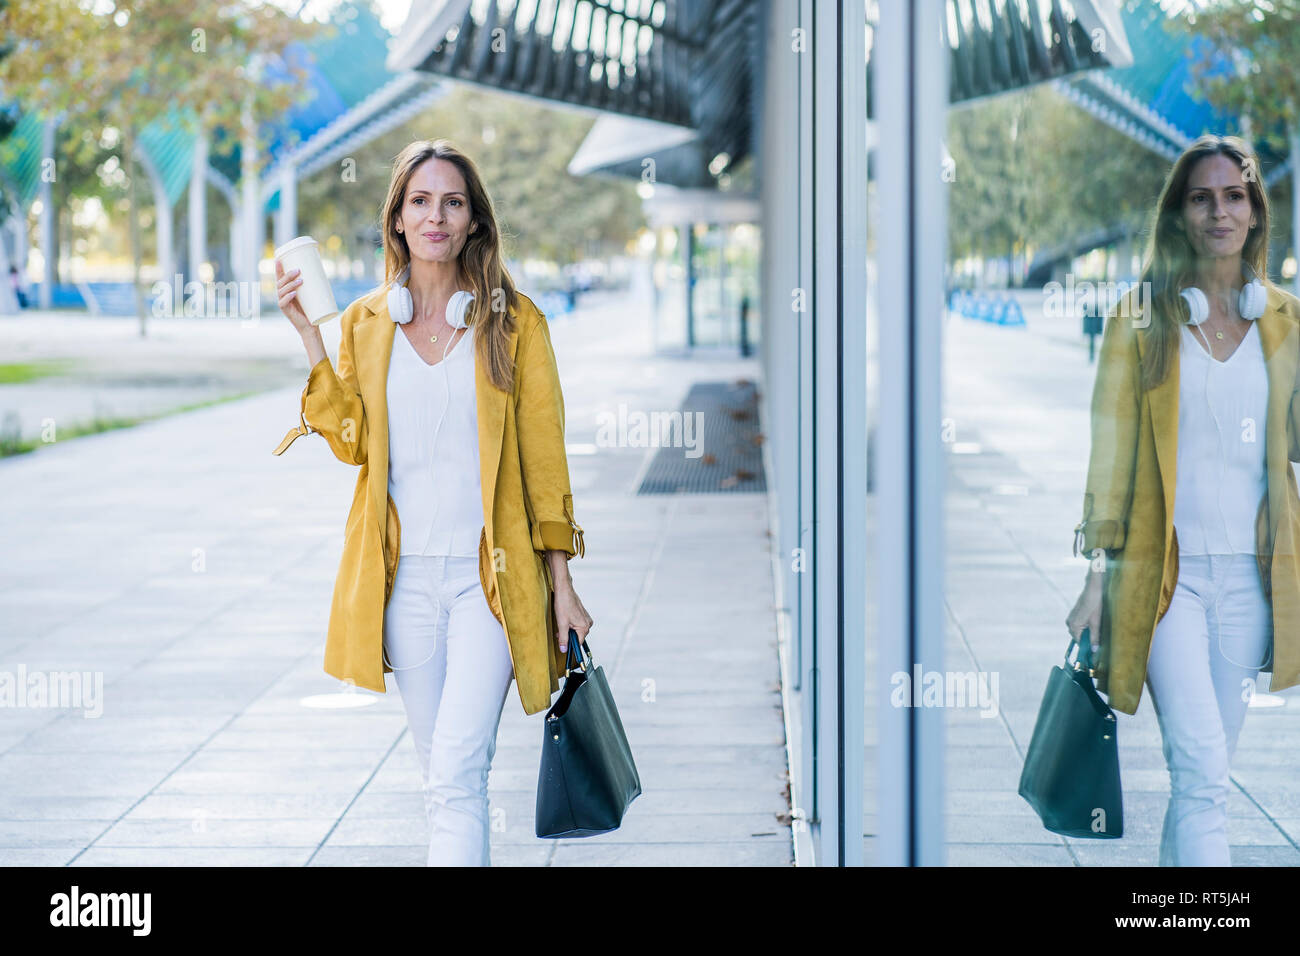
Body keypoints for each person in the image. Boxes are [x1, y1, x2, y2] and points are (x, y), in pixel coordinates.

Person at [273, 139, 593, 866]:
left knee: (454, 771)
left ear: (475, 220)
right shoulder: (364, 322)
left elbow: (545, 463)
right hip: (404, 584)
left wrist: (562, 585)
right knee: (444, 776)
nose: (436, 216)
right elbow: (353, 443)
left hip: (490, 582)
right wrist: (311, 342)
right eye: (420, 201)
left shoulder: (516, 324)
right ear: (397, 220)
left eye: (452, 202)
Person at [1066, 134, 1300, 866]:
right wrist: (1096, 580)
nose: (1219, 211)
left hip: (1249, 585)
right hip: (1165, 583)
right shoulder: (1140, 320)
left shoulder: (1286, 322)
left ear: (1256, 214)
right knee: (1202, 775)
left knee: (1200, 780)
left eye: (1234, 196)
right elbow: (1112, 461)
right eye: (1202, 197)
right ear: (1179, 214)